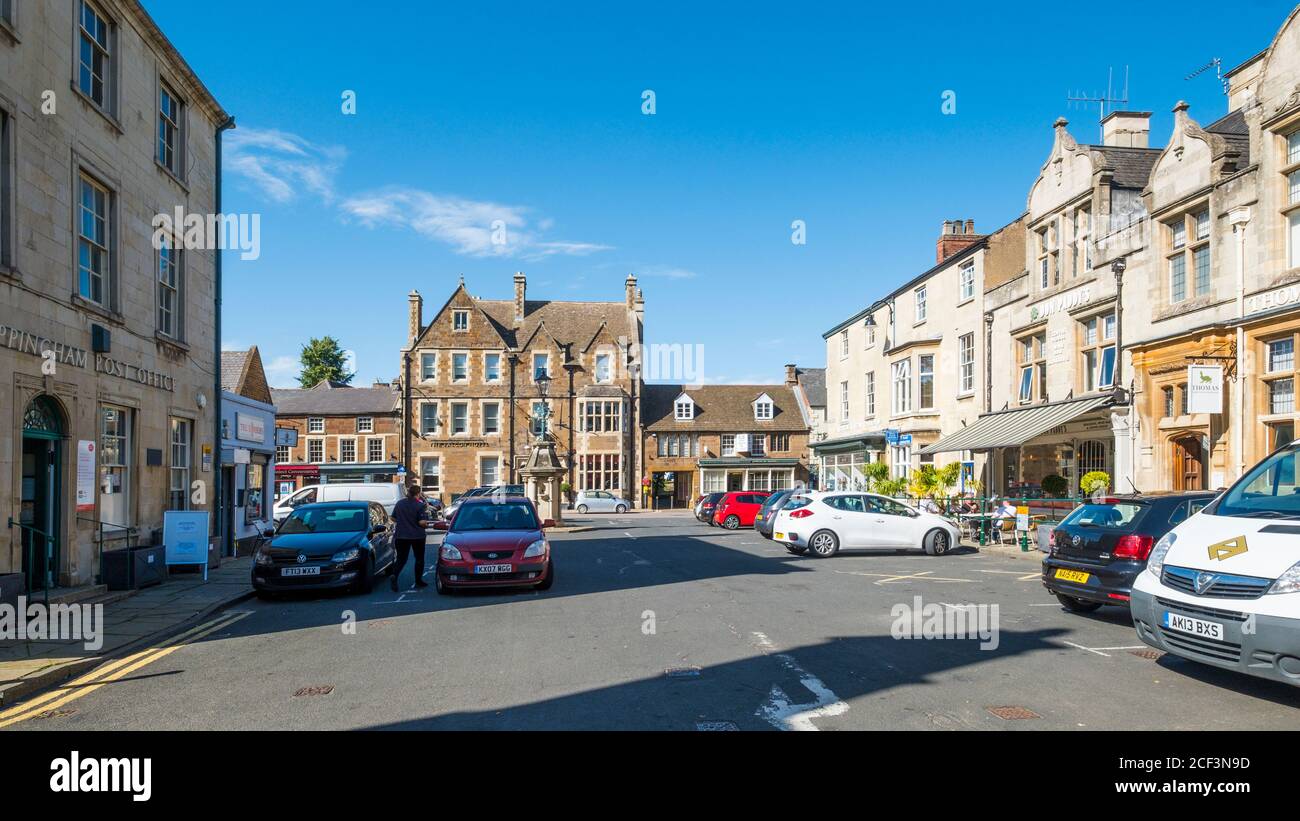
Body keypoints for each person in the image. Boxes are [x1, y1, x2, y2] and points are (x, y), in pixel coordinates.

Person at [390, 484, 431, 592]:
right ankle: (418, 581)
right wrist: (426, 525)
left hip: (401, 535)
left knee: (401, 559)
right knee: (419, 559)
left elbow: (393, 518)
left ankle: (394, 575)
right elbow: (422, 522)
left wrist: (403, 522)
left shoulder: (399, 503)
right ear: (418, 493)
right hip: (417, 536)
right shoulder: (420, 505)